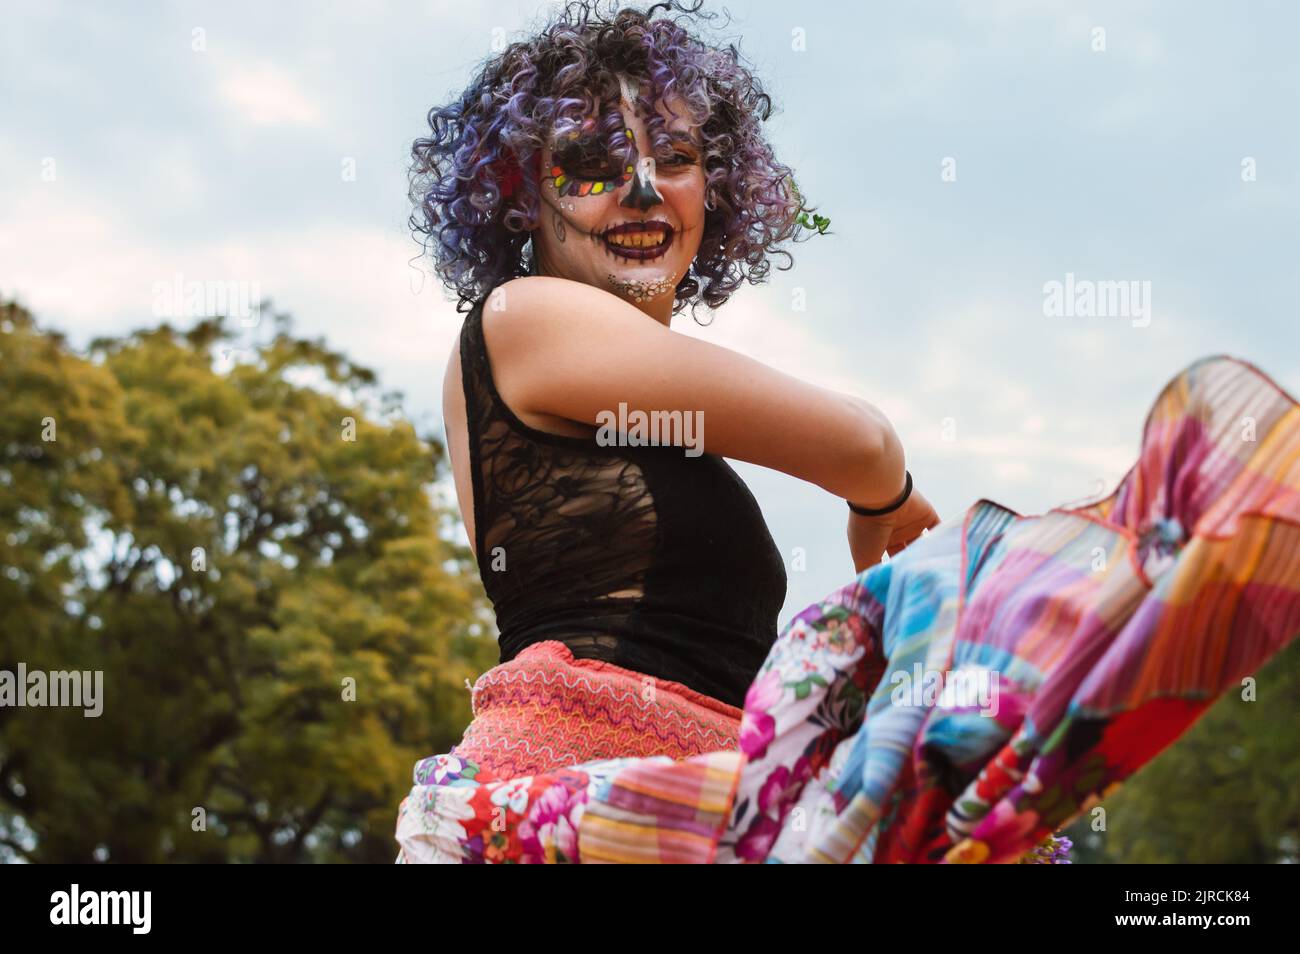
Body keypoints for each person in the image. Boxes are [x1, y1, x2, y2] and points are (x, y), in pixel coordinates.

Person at [394, 0, 1300, 863]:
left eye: (674, 157)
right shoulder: (524, 316)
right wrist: (885, 502)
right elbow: (861, 443)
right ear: (518, 193)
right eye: (592, 162)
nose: (641, 189)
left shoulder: (599, 394)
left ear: (715, 186)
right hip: (578, 793)